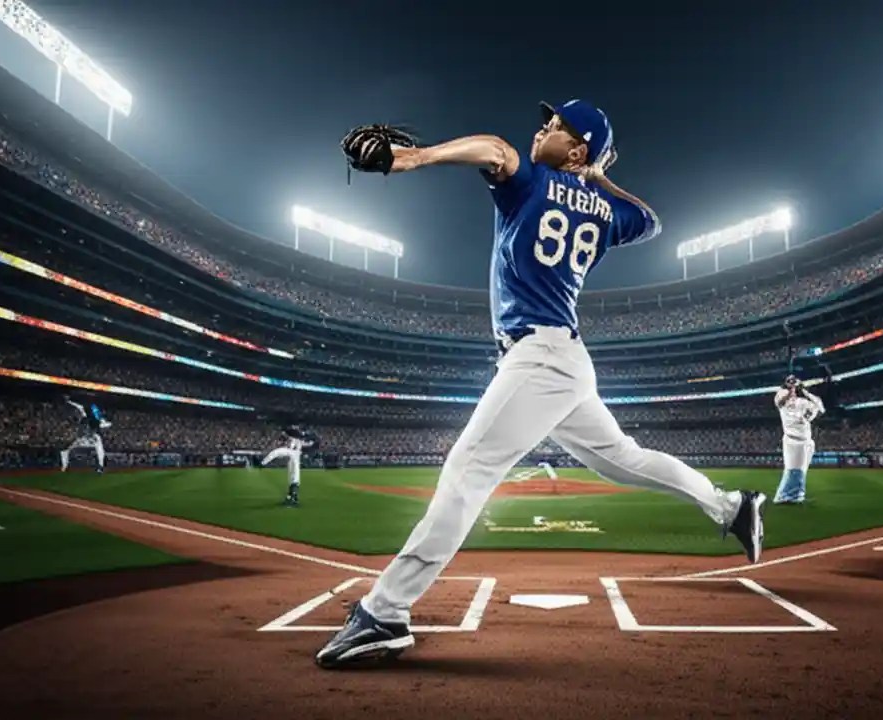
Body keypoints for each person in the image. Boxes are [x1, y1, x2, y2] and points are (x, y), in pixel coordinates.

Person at [316, 100, 766, 668]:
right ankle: (732, 507)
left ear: (575, 149)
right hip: (565, 359)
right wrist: (598, 175)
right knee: (622, 458)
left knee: (467, 471)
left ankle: (385, 613)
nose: (542, 129)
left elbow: (495, 149)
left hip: (540, 357)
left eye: (556, 128)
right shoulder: (605, 209)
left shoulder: (529, 182)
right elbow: (651, 220)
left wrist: (416, 158)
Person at [772, 375, 825, 504]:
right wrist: (789, 390)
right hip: (793, 440)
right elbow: (780, 402)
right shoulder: (782, 398)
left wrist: (806, 391)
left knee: (801, 470)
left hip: (806, 440)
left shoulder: (801, 402)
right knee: (793, 469)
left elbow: (820, 407)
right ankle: (784, 497)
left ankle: (797, 496)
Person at [261, 425, 316, 506]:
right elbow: (308, 443)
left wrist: (263, 463)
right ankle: (292, 498)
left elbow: (277, 451)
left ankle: (292, 498)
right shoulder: (297, 440)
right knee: (294, 480)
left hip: (293, 456)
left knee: (293, 480)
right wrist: (311, 439)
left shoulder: (295, 440)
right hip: (294, 456)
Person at [60, 396, 110, 473]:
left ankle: (100, 467)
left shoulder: (94, 416)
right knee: (65, 450)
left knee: (65, 450)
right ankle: (100, 467)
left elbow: (80, 407)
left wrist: (69, 401)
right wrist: (69, 401)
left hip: (89, 438)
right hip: (86, 438)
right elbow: (79, 407)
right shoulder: (92, 416)